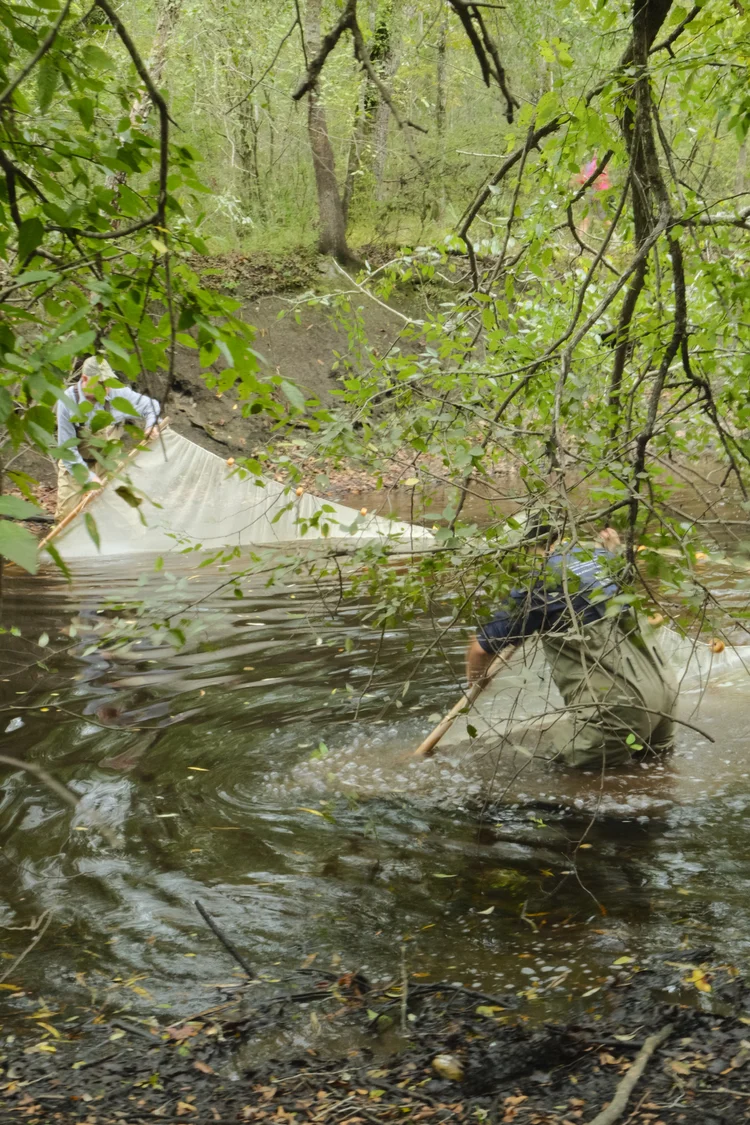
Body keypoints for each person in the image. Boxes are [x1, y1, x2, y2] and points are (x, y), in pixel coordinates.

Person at [466, 514, 678, 769]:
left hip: (616, 710)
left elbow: (479, 650)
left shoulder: (535, 587)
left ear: (520, 549)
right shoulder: (599, 558)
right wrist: (611, 549)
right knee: (657, 774)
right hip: (664, 693)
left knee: (562, 776)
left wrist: (478, 679)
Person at [55, 356, 161, 522]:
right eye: (101, 385)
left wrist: (151, 425)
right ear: (85, 379)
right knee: (67, 518)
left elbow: (151, 406)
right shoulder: (68, 402)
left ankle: (137, 541)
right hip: (76, 465)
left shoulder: (118, 393)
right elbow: (67, 451)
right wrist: (90, 479)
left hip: (109, 462)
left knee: (130, 512)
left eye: (109, 383)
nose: (107, 390)